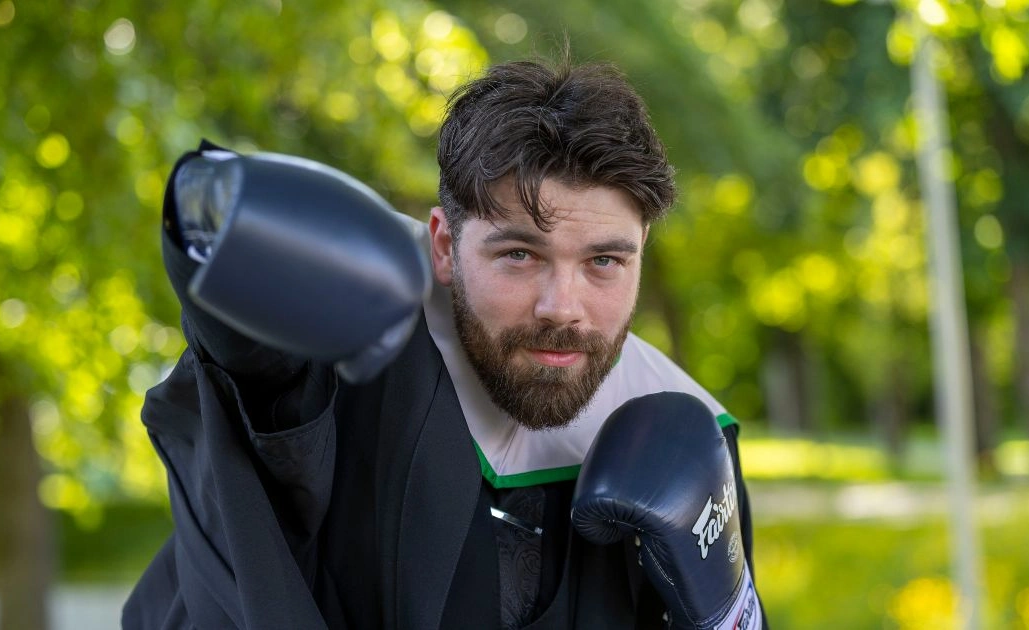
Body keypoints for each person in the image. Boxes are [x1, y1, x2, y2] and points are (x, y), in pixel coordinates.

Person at [123, 58, 764, 629]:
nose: (561, 308)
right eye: (519, 254)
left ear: (640, 253)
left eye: (604, 262)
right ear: (443, 245)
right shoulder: (344, 351)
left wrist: (724, 613)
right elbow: (239, 346)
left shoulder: (687, 434)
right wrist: (213, 216)